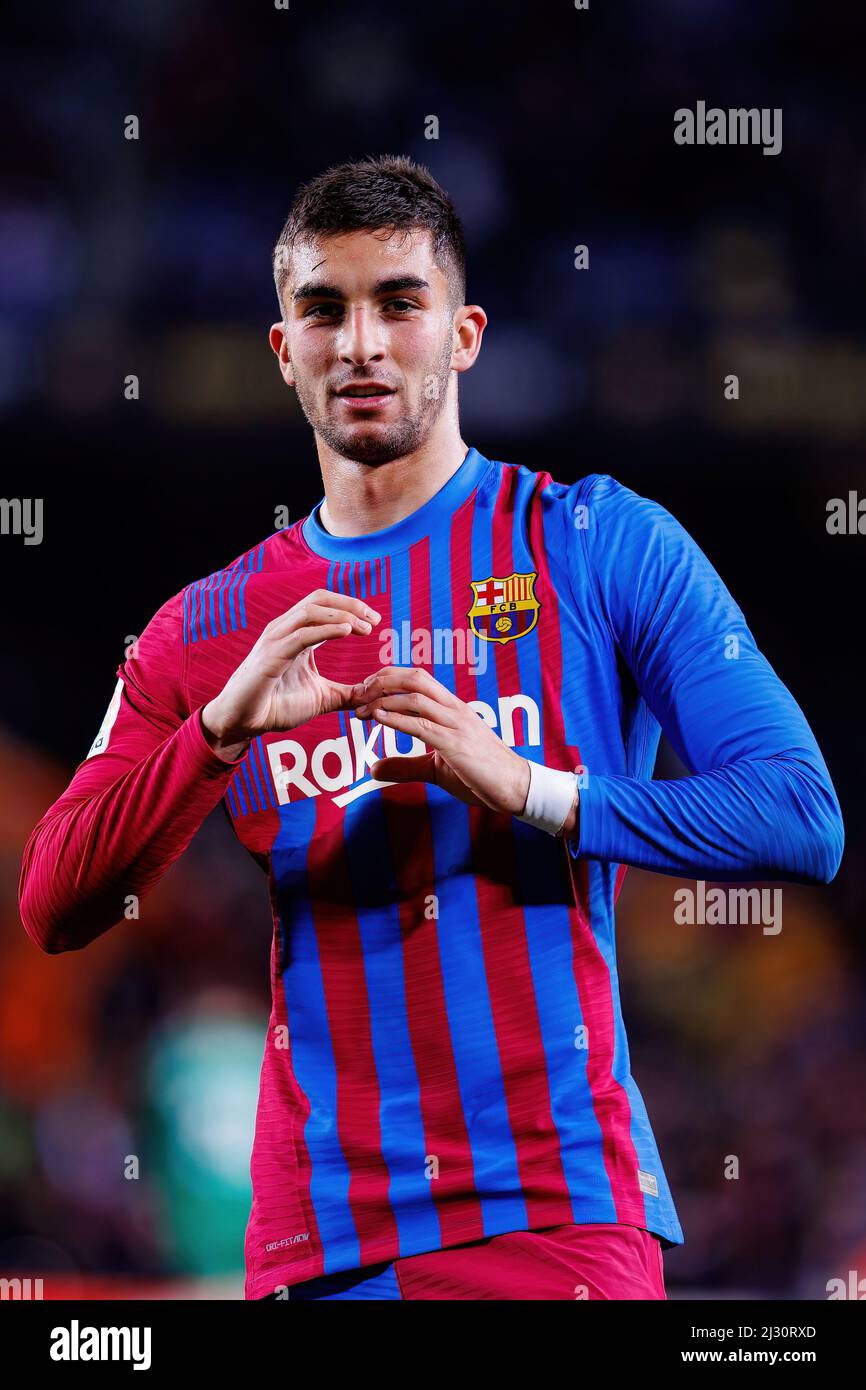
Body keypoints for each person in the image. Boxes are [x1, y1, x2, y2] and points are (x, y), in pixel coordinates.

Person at [19, 155, 844, 1301]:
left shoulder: (598, 542)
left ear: (461, 335)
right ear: (283, 349)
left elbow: (800, 815)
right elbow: (53, 899)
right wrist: (210, 735)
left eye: (397, 303)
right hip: (321, 1234)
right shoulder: (206, 629)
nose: (359, 342)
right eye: (323, 309)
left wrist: (529, 787)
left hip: (555, 1207)